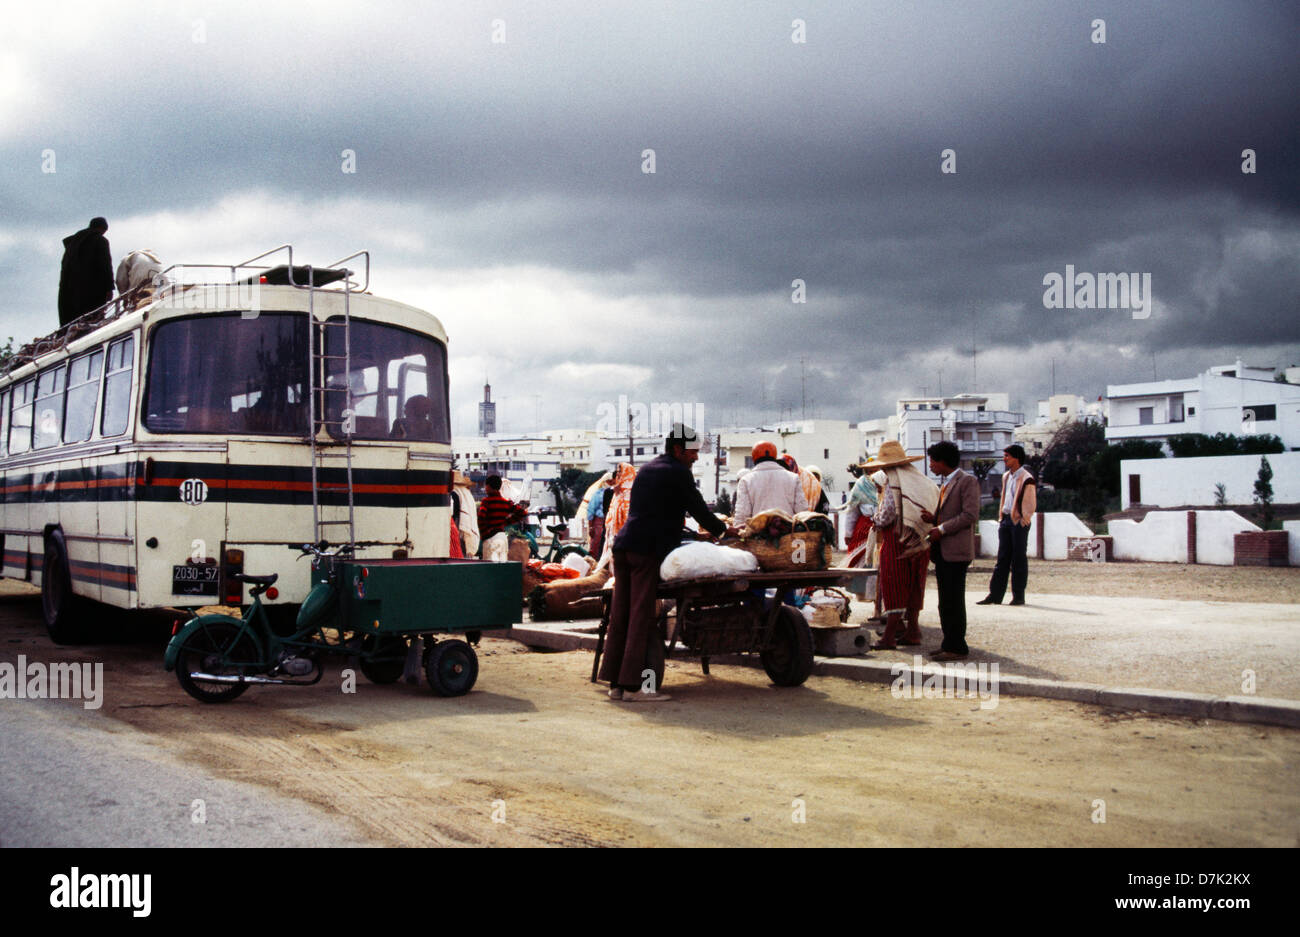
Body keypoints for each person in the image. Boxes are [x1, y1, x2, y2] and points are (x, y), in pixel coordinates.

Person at [598, 424, 732, 703]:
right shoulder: (678, 472)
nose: (695, 458)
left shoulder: (647, 469)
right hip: (646, 551)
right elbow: (698, 509)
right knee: (642, 618)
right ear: (678, 450)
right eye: (692, 452)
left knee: (621, 615)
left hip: (623, 547)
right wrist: (724, 533)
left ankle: (616, 686)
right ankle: (639, 688)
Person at [867, 441, 939, 650]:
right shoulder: (922, 481)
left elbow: (888, 513)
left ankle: (889, 636)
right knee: (915, 584)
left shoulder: (895, 483)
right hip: (920, 541)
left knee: (894, 585)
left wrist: (876, 519)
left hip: (898, 540)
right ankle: (913, 630)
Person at [920, 441, 980, 660]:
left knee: (953, 600)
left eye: (933, 461)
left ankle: (957, 646)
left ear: (943, 461)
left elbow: (970, 515)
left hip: (955, 551)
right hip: (944, 551)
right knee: (946, 600)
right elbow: (950, 513)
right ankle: (949, 643)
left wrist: (942, 529)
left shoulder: (967, 481)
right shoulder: (946, 483)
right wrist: (933, 519)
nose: (932, 466)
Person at [977, 444, 1037, 606]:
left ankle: (1018, 596)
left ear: (1016, 458)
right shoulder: (1006, 476)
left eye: (1007, 456)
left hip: (1018, 521)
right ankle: (995, 595)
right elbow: (1005, 497)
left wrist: (1024, 518)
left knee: (1018, 559)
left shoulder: (1026, 478)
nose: (1004, 459)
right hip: (1006, 520)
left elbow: (1030, 502)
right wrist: (1002, 518)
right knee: (1002, 559)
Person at [734, 441, 807, 525]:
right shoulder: (793, 478)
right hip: (787, 533)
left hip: (758, 534)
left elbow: (742, 515)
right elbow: (802, 511)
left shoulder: (746, 480)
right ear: (775, 456)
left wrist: (738, 532)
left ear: (753, 458)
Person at [58, 217, 114, 326]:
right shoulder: (100, 241)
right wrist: (109, 288)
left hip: (68, 296)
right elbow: (105, 265)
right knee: (91, 322)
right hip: (90, 295)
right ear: (102, 229)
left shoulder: (72, 245)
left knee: (72, 324)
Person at [477, 474, 528, 544]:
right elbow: (523, 513)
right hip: (502, 537)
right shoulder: (506, 503)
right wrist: (506, 522)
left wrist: (484, 534)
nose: (485, 488)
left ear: (488, 487)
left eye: (485, 486)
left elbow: (481, 518)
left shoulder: (486, 502)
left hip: (489, 539)